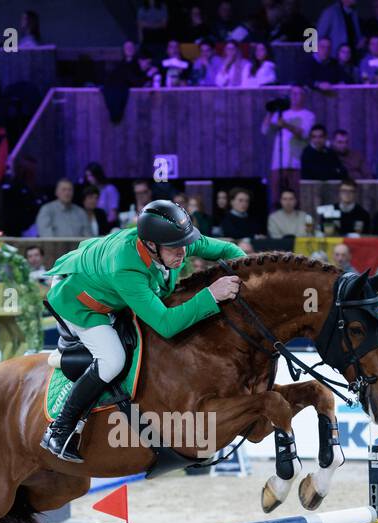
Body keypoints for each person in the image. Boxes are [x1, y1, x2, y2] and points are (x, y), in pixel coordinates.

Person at [39, 200, 245, 462]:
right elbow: (167, 325)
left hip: (106, 284)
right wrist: (211, 296)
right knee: (113, 359)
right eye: (174, 247)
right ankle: (60, 429)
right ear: (150, 245)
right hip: (79, 300)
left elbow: (227, 249)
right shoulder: (126, 266)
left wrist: (249, 276)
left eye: (185, 243)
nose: (183, 252)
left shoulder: (175, 239)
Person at [261, 87, 314, 196]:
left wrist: (285, 125)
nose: (295, 96)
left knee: (297, 197)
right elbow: (265, 130)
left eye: (298, 93)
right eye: (293, 93)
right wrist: (270, 112)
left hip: (297, 163)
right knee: (276, 198)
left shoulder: (308, 115)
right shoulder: (281, 113)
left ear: (304, 97)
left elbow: (303, 134)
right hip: (278, 163)